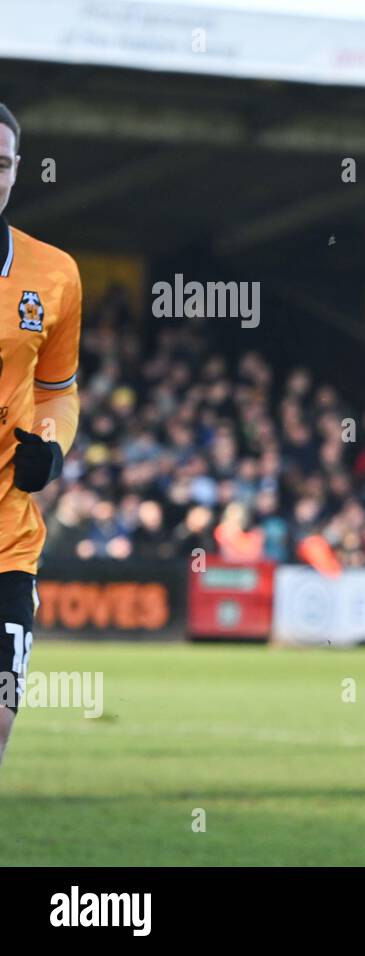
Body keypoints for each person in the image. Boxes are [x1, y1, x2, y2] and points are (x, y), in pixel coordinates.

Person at [0, 103, 83, 765]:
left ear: (17, 170)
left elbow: (58, 388)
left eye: (0, 165)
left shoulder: (54, 273)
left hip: (6, 541)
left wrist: (51, 445)